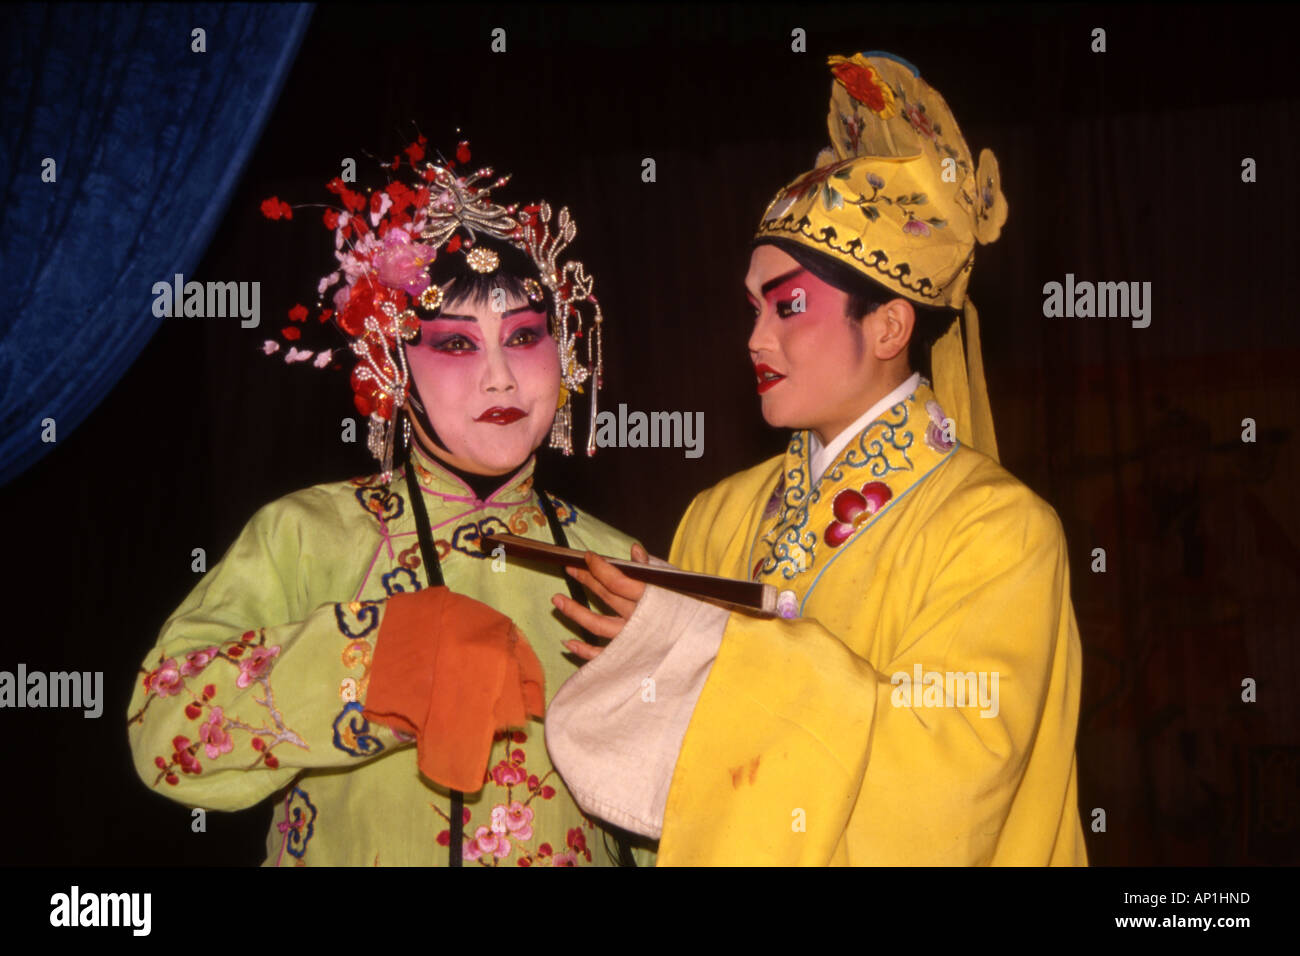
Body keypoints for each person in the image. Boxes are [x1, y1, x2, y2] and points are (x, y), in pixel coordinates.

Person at [544, 52, 1088, 865]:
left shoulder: (1000, 531)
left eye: (789, 304)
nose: (756, 337)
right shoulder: (719, 514)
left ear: (889, 327)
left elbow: (948, 792)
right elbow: (667, 786)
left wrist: (713, 649)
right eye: (754, 306)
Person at [126, 137, 655, 867]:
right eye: (457, 345)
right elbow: (163, 729)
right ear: (386, 360)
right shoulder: (307, 535)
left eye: (526, 336)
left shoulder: (617, 566)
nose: (501, 380)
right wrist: (378, 657)